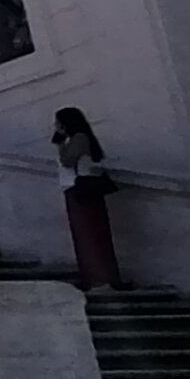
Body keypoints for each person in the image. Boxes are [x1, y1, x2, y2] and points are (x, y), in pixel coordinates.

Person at [52, 107, 124, 291]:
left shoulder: (79, 138)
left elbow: (68, 160)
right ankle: (95, 277)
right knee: (84, 234)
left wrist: (60, 144)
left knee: (90, 234)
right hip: (75, 188)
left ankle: (101, 278)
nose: (55, 126)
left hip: (81, 189)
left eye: (58, 122)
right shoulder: (76, 138)